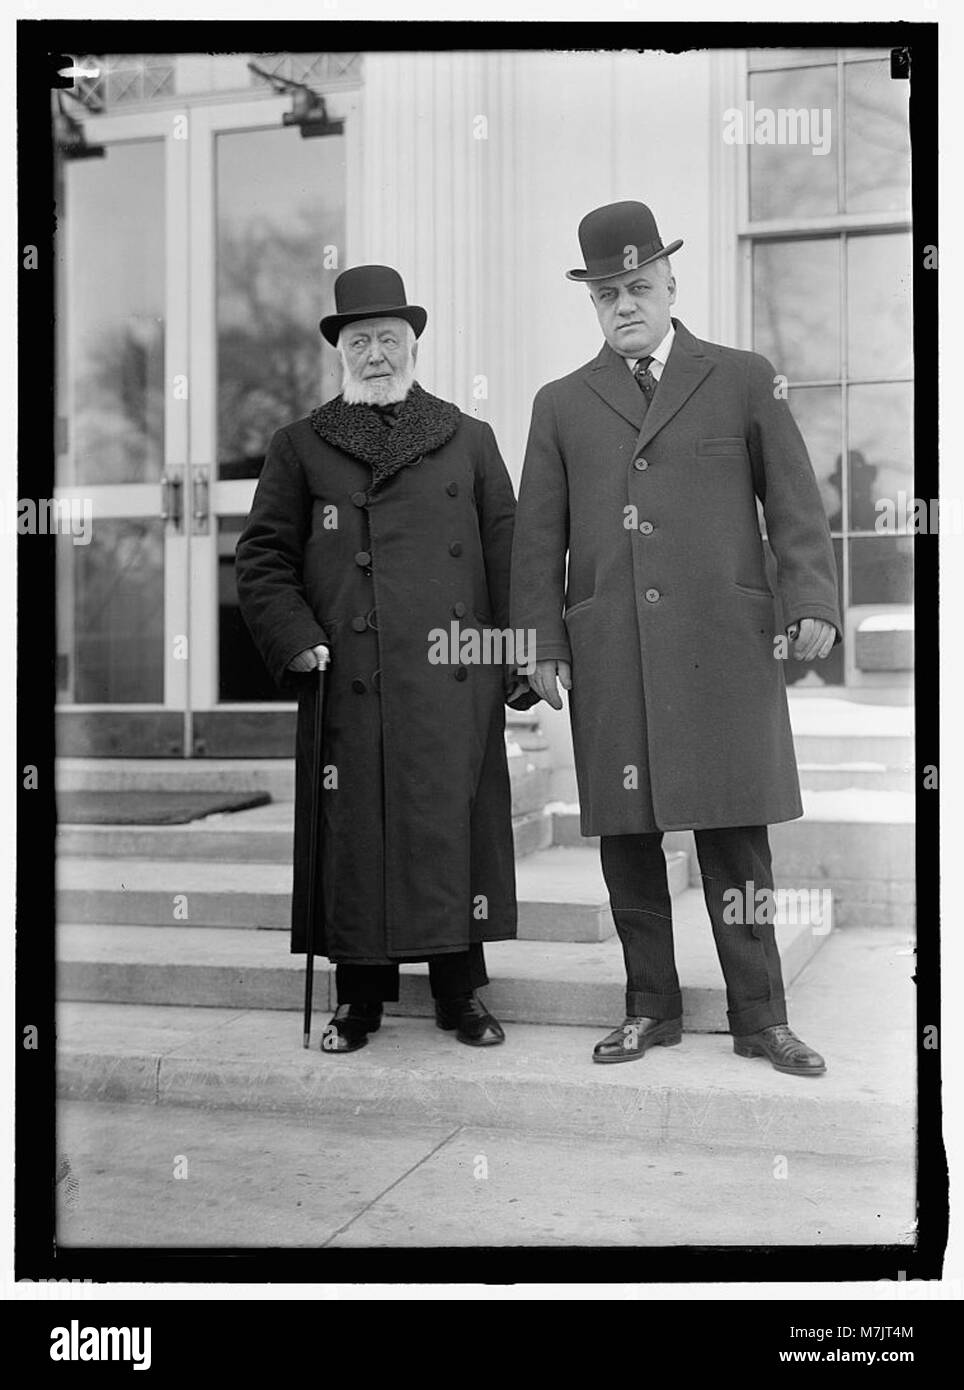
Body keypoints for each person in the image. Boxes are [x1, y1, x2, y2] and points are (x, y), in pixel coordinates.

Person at [510, 201, 841, 1076]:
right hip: (613, 653)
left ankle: (760, 1017)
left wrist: (811, 596)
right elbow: (537, 540)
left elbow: (798, 506)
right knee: (628, 842)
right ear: (592, 301)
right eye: (608, 293)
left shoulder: (741, 377)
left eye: (640, 286)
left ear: (670, 284)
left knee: (736, 838)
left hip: (727, 648)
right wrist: (540, 643)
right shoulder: (560, 405)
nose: (626, 305)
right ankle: (648, 1009)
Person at [237, 264, 532, 1055]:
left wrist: (520, 658)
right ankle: (356, 1001)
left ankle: (460, 994)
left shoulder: (470, 440)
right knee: (355, 839)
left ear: (413, 346)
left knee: (450, 830)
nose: (376, 354)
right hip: (349, 679)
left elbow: (509, 555)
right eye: (360, 340)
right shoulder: (300, 445)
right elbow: (262, 558)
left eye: (389, 340)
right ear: (341, 351)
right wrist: (295, 636)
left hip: (451, 677)